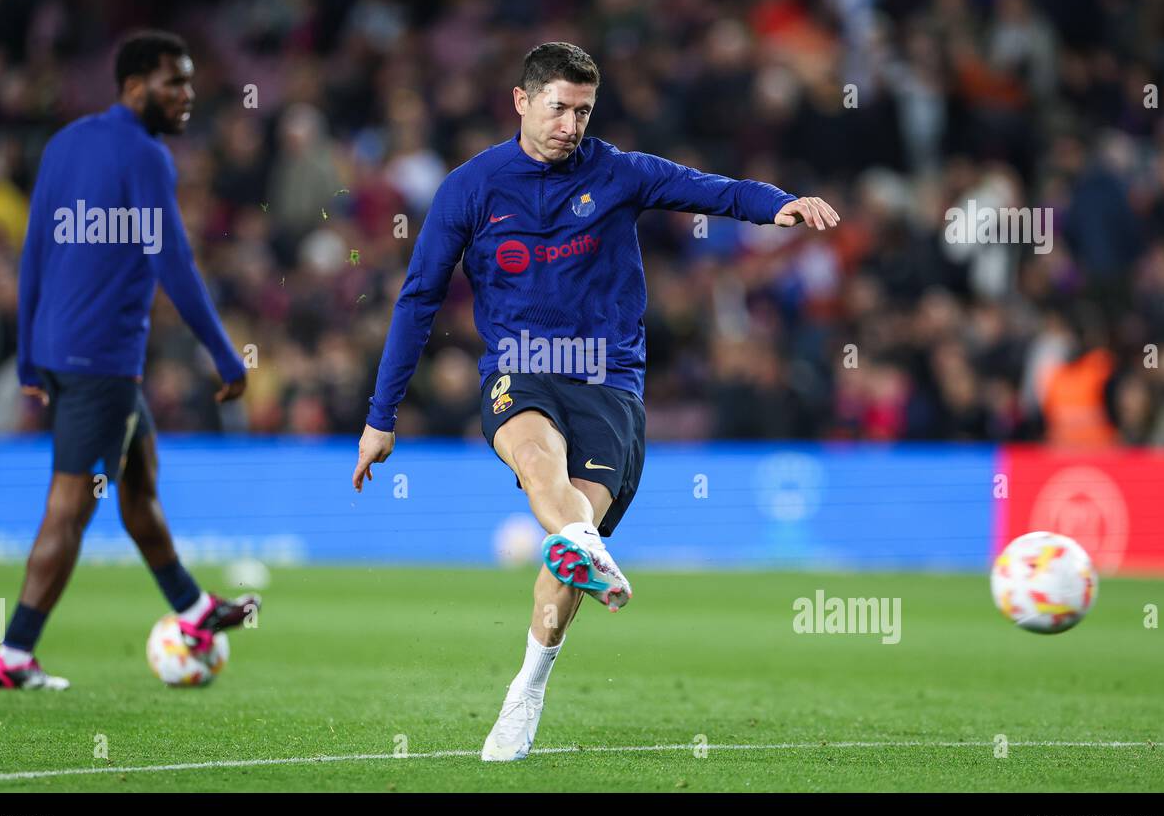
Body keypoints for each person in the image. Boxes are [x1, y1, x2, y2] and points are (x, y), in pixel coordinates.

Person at [352, 42, 838, 760]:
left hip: (609, 380)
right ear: (522, 101)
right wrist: (380, 416)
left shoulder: (618, 172)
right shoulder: (470, 187)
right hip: (520, 367)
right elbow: (419, 297)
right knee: (536, 453)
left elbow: (710, 190)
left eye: (583, 110)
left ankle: (528, 686)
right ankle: (584, 544)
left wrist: (781, 205)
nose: (571, 124)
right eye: (559, 107)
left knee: (565, 548)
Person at [0, 30, 257, 690]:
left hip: (64, 352)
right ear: (136, 86)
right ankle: (14, 657)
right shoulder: (144, 154)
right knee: (70, 510)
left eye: (191, 82)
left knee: (138, 481)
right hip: (100, 361)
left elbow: (34, 255)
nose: (188, 96)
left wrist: (28, 354)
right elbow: (174, 262)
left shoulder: (64, 143)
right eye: (175, 83)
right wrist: (226, 355)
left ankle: (193, 609)